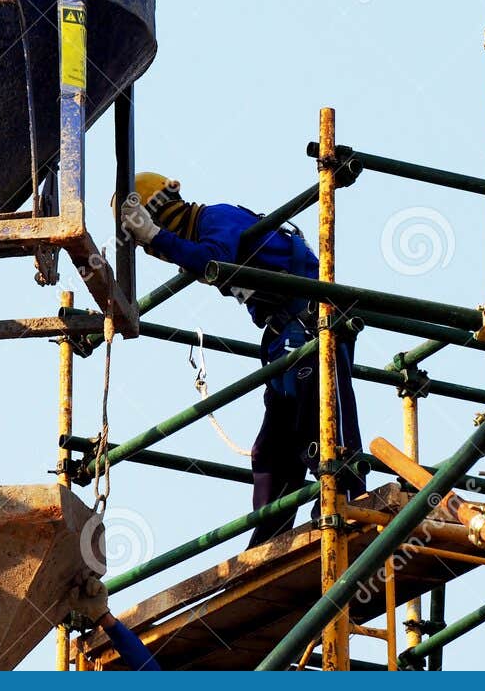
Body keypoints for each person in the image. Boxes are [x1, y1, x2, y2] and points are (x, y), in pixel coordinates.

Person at [120, 171, 364, 547]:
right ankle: (268, 541)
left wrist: (155, 237)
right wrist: (157, 240)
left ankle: (343, 501)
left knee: (316, 420)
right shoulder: (200, 238)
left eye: (152, 236)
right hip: (285, 334)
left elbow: (212, 259)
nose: (154, 250)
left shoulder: (216, 218)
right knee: (270, 451)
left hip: (316, 322)